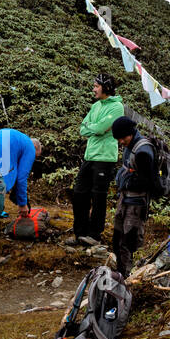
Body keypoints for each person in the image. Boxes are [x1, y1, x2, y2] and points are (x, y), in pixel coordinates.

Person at [65, 73, 124, 247]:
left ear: (105, 87)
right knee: (79, 194)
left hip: (105, 157)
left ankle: (94, 235)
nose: (93, 89)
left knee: (99, 197)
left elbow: (99, 128)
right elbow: (83, 129)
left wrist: (94, 128)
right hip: (89, 156)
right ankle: (80, 233)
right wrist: (94, 128)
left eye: (96, 86)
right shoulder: (96, 105)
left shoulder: (117, 107)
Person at [0, 129, 41, 266]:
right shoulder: (30, 148)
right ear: (36, 148)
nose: (33, 159)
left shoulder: (17, 138)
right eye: (35, 157)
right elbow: (21, 178)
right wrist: (22, 204)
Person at [110, 116, 158, 277]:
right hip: (125, 199)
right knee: (118, 237)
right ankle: (120, 271)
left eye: (123, 138)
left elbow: (148, 181)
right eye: (118, 139)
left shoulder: (143, 151)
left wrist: (128, 183)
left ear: (130, 133)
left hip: (137, 203)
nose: (121, 141)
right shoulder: (130, 146)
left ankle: (128, 276)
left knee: (130, 240)